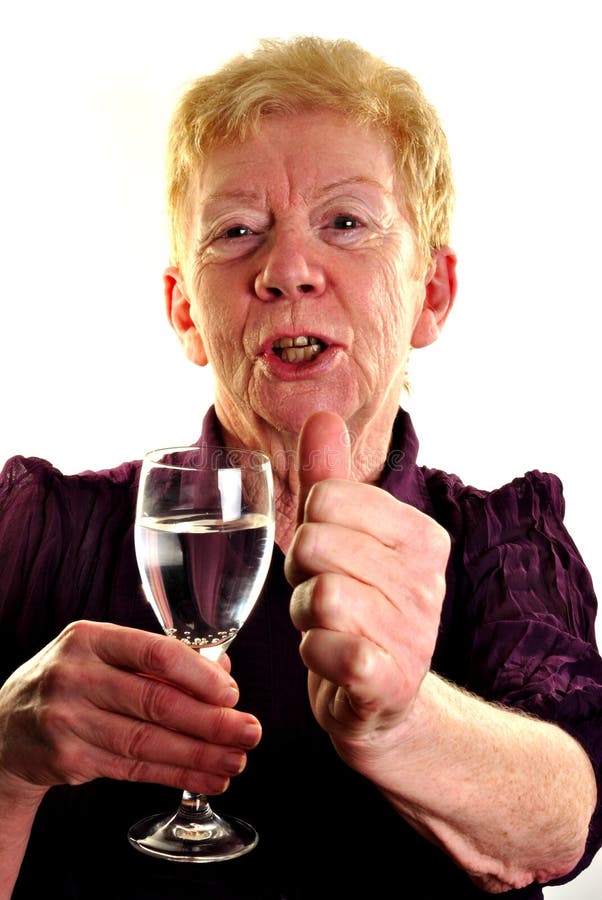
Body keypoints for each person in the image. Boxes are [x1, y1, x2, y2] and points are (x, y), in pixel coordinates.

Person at [0, 35, 600, 899]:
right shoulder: (40, 531)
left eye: (346, 222)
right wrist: (7, 765)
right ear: (186, 312)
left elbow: (562, 821)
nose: (285, 270)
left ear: (431, 293)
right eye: (237, 231)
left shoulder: (506, 540)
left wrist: (403, 720)